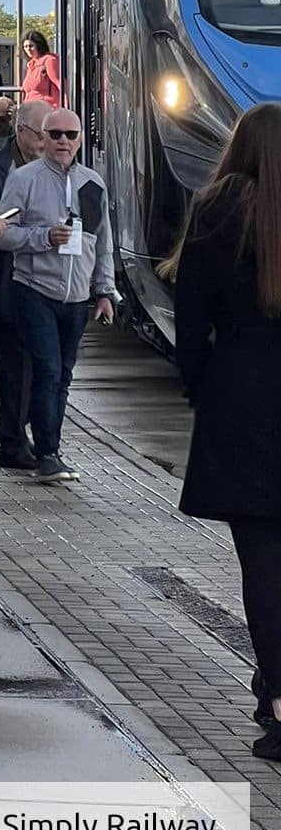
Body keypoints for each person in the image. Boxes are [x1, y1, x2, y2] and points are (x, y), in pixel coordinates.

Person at [164, 103, 281, 760]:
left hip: (240, 406)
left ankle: (278, 702)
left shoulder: (215, 209)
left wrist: (202, 387)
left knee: (263, 565)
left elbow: (191, 320)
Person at [0, 109, 115, 483]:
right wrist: (44, 237)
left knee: (62, 374)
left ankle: (51, 449)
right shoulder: (24, 179)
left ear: (80, 139)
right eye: (56, 134)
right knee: (47, 370)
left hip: (76, 297)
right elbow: (1, 232)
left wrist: (105, 291)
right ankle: (48, 453)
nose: (63, 141)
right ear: (43, 138)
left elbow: (101, 240)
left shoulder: (92, 183)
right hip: (35, 290)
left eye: (71, 135)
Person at [0, 98, 49, 468]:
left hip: (39, 284)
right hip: (6, 285)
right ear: (21, 132)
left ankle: (11, 430)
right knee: (16, 366)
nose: (46, 142)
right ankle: (13, 442)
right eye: (41, 135)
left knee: (34, 366)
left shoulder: (51, 170)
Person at [21, 30, 62, 107]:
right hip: (31, 111)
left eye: (31, 46)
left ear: (39, 45)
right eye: (25, 46)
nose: (28, 49)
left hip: (46, 110)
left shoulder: (50, 61)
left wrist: (66, 108)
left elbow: (61, 85)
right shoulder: (31, 65)